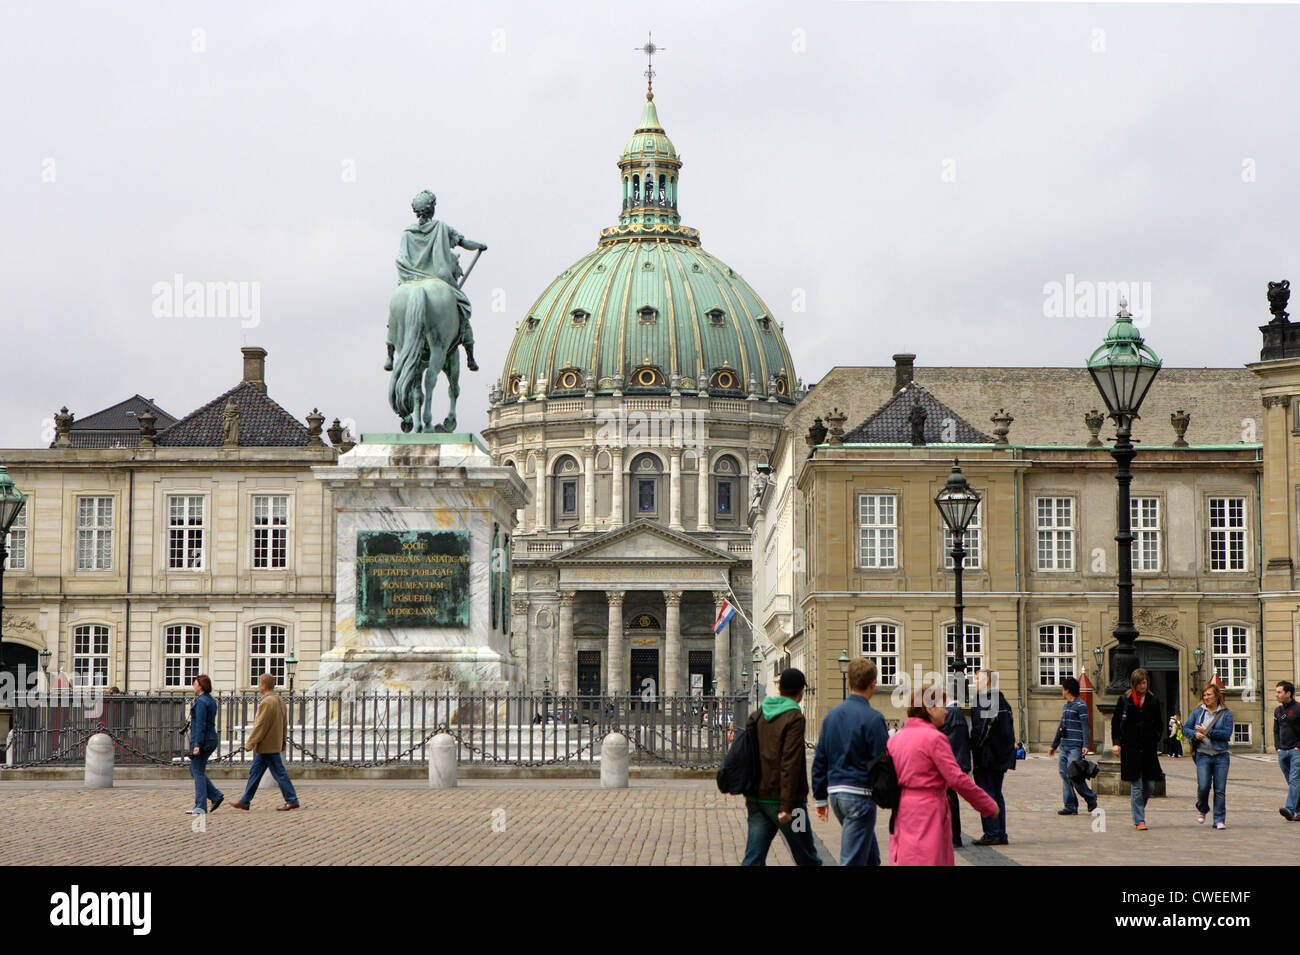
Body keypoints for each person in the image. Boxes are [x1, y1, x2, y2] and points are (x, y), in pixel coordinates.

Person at [887, 687, 998, 866]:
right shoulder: (934, 738)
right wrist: (986, 804)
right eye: (941, 706)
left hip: (902, 809)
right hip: (929, 809)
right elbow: (957, 778)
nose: (946, 710)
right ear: (929, 708)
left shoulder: (895, 739)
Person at [385, 189, 487, 372]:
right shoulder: (440, 227)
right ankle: (470, 355)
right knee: (463, 308)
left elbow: (401, 259)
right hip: (439, 279)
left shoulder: (407, 233)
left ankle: (389, 354)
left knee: (394, 315)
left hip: (409, 278)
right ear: (431, 208)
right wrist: (480, 246)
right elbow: (464, 243)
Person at [812, 658, 889, 865]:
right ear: (873, 682)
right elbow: (883, 763)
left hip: (836, 793)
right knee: (853, 859)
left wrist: (820, 798)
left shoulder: (831, 716)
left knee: (870, 857)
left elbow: (820, 758)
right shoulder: (873, 718)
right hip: (859, 795)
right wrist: (890, 797)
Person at [741, 668, 821, 866]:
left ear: (779, 688)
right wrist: (787, 806)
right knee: (807, 857)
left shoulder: (758, 715)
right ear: (801, 692)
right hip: (789, 804)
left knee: (753, 859)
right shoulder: (794, 717)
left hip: (757, 798)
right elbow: (790, 762)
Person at [231, 673, 299, 812]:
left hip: (267, 745)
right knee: (255, 773)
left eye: (259, 683)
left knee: (279, 773)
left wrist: (250, 743)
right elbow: (284, 724)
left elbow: (261, 725)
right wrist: (282, 741)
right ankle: (245, 801)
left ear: (263, 685)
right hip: (272, 744)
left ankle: (292, 799)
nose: (258, 686)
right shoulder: (279, 700)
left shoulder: (267, 702)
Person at [1111, 667, 1164, 830]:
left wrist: (1155, 737)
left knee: (1149, 785)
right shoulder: (1125, 700)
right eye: (1140, 683)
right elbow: (1116, 721)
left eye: (1145, 682)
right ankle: (1139, 820)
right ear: (1134, 684)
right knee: (1136, 784)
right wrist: (1116, 742)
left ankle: (1138, 808)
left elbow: (1159, 724)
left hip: (1148, 747)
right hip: (1130, 747)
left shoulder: (1153, 700)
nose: (1143, 686)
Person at [970, 670, 1015, 846]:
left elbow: (981, 729)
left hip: (987, 756)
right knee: (997, 793)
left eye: (977, 678)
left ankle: (992, 833)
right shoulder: (1003, 700)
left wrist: (974, 747)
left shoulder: (984, 700)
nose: (974, 681)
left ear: (986, 680)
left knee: (986, 793)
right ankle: (1001, 833)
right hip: (1001, 756)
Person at [1183, 683, 1233, 829]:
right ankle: (1202, 807)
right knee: (1204, 786)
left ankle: (1219, 819)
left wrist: (1207, 731)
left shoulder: (1226, 713)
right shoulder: (1198, 712)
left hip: (1221, 756)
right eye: (1204, 695)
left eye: (1209, 695)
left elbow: (1226, 734)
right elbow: (1186, 728)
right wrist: (1195, 734)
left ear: (1217, 696)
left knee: (1220, 789)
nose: (1206, 698)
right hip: (1203, 755)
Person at [1048, 676, 1096, 815]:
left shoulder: (1081, 705)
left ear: (1067, 690)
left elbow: (1085, 726)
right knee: (1064, 775)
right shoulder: (1066, 706)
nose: (1061, 692)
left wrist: (1086, 744)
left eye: (1062, 689)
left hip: (1075, 746)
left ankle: (1090, 797)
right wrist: (1054, 745)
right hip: (1064, 746)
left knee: (1074, 775)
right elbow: (1061, 727)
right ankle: (1070, 805)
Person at [939, 689, 972, 848]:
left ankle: (954, 837)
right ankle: (953, 836)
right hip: (957, 761)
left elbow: (949, 742)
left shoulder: (951, 713)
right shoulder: (956, 713)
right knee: (950, 799)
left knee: (950, 800)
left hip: (952, 763)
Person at [187, 675, 223, 815]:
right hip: (210, 738)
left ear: (201, 685)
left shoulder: (202, 702)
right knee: (194, 769)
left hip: (204, 740)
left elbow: (200, 725)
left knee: (197, 771)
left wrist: (197, 744)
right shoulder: (210, 700)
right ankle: (215, 796)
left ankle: (200, 805)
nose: (193, 686)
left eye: (195, 683)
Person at [1276, 681, 1300, 821]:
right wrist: (1277, 747)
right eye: (1277, 692)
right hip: (1282, 751)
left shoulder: (1298, 709)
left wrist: (1298, 746)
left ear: (1288, 693)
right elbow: (1276, 729)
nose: (1277, 695)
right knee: (1293, 782)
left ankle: (1289, 809)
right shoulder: (1278, 711)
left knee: (1294, 780)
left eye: (1279, 692)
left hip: (1296, 750)